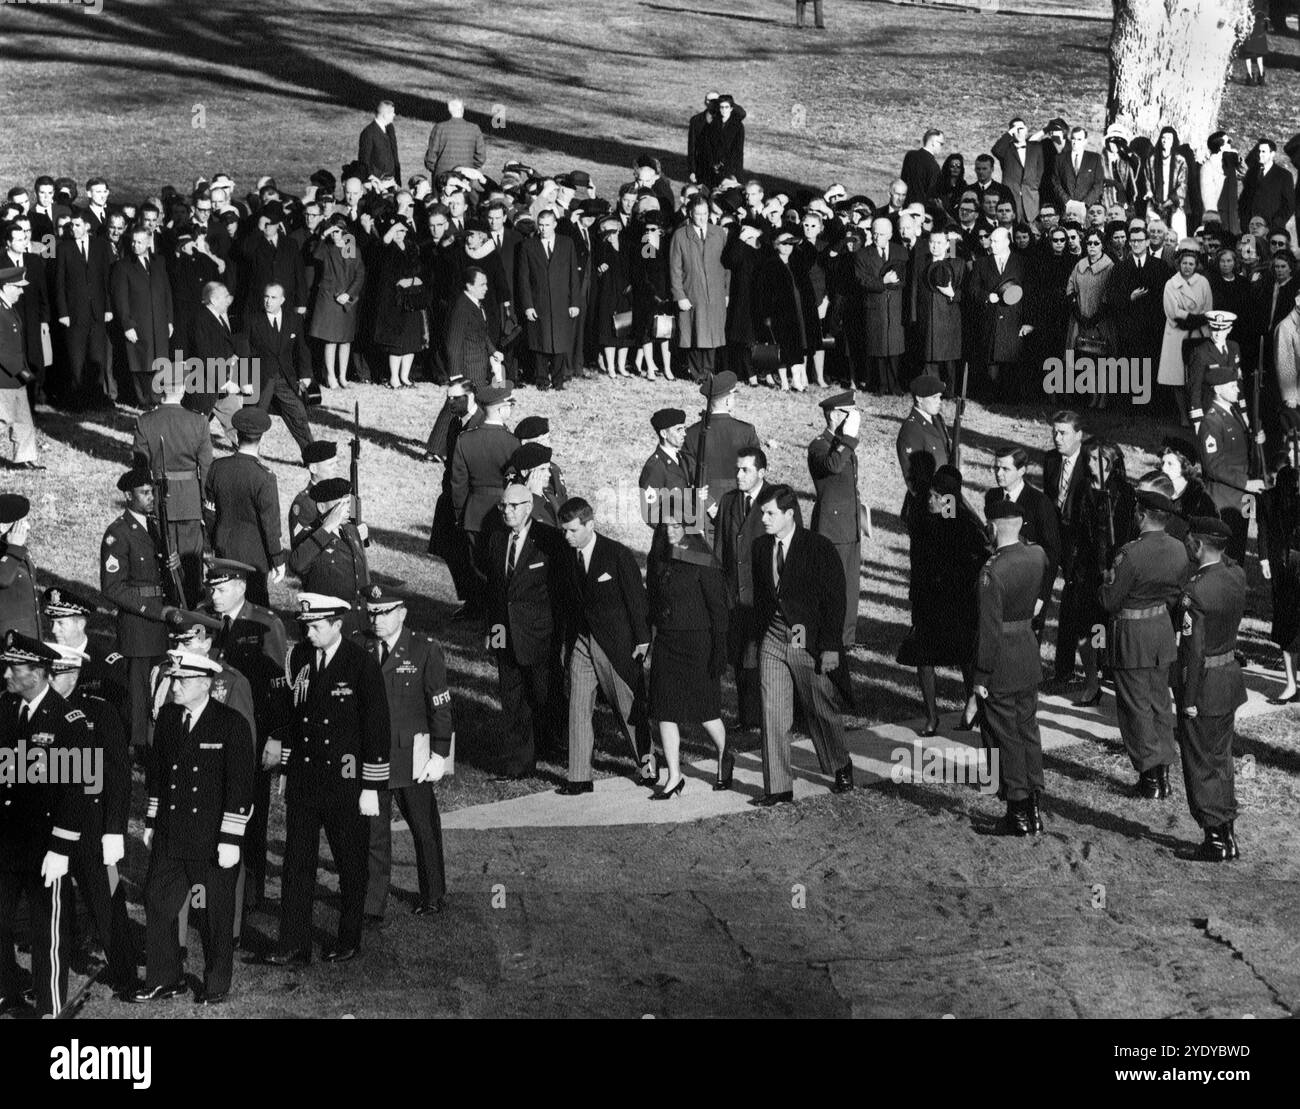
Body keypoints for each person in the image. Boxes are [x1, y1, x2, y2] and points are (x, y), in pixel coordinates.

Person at [261, 594, 389, 966]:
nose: (310, 632)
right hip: (305, 777)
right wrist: (286, 767)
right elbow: (292, 716)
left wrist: (371, 787)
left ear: (338, 625)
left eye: (317, 626)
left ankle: (348, 938)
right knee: (296, 865)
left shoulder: (360, 664)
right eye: (306, 626)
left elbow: (376, 727)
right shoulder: (298, 657)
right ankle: (293, 942)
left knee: (351, 864)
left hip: (346, 781)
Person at [132, 650, 254, 1006]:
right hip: (171, 833)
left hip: (210, 838)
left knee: (214, 913)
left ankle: (216, 982)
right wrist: (152, 819)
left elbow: (240, 784)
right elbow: (158, 774)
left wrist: (231, 838)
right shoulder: (169, 717)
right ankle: (164, 977)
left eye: (182, 680)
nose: (174, 686)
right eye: (174, 678)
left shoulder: (230, 723)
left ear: (205, 684)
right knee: (157, 901)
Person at [0, 633, 91, 1018]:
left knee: (46, 931)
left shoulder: (68, 721)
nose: (6, 674)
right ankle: (8, 991)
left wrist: (62, 848)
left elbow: (78, 791)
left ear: (37, 673)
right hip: (7, 842)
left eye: (14, 669)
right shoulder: (6, 708)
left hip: (45, 845)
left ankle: (51, 1006)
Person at [750, 484, 853, 805]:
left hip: (805, 639)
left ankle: (840, 763)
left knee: (819, 705)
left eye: (771, 513)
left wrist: (831, 646)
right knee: (772, 712)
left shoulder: (818, 548)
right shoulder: (759, 548)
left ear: (790, 514)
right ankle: (778, 787)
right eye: (762, 512)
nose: (764, 519)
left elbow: (836, 601)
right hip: (773, 638)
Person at [45, 641, 136, 997]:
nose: (49, 680)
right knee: (53, 904)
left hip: (92, 827)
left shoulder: (101, 713)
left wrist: (114, 830)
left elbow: (118, 776)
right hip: (50, 827)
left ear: (74, 674)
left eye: (56, 674)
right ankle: (54, 972)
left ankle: (126, 975)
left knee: (107, 902)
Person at [203, 557, 288, 914]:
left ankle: (251, 892)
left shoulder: (265, 623)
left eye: (221, 589)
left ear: (240, 587)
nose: (215, 596)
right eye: (212, 589)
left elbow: (279, 686)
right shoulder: (203, 620)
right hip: (211, 732)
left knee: (251, 811)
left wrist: (278, 737)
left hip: (254, 733)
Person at [362, 587, 452, 922]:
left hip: (413, 756)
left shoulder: (423, 649)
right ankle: (372, 903)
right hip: (374, 756)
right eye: (372, 613)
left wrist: (440, 755)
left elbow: (440, 707)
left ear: (402, 613)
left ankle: (433, 893)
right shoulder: (363, 647)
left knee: (424, 828)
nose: (378, 620)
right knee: (374, 834)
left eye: (384, 613)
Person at [557, 497, 656, 794]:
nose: (567, 536)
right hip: (581, 643)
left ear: (590, 524)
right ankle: (579, 778)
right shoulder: (567, 556)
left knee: (629, 709)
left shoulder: (617, 554)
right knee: (577, 706)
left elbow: (636, 599)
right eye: (564, 530)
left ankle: (648, 766)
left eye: (573, 530)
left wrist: (642, 640)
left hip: (616, 646)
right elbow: (568, 604)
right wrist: (567, 643)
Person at [1099, 487, 1191, 799]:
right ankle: (1162, 771)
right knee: (1160, 704)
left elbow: (1110, 600)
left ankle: (1150, 777)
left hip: (1132, 636)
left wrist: (1105, 576)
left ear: (1141, 514)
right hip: (1161, 630)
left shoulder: (1131, 552)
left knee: (1135, 708)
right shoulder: (1179, 548)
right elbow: (1178, 594)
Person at [1172, 516, 1247, 861]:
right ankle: (1227, 832)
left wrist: (1187, 699)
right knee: (1220, 760)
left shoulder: (1195, 593)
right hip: (1228, 681)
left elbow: (1192, 651)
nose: (1187, 545)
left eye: (1190, 541)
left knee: (1200, 763)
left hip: (1202, 688)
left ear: (1200, 546)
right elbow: (1227, 561)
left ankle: (1215, 840)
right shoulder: (1235, 576)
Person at [973, 499, 1049, 834]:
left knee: (1005, 737)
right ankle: (1033, 806)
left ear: (992, 527)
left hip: (1001, 660)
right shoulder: (1037, 556)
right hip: (1027, 654)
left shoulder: (992, 571)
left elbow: (988, 632)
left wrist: (980, 676)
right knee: (1027, 729)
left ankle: (1017, 812)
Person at [481, 483, 564, 778]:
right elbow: (493, 590)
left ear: (528, 507)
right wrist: (494, 632)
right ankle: (520, 764)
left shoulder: (549, 540)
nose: (506, 511)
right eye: (503, 506)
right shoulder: (495, 540)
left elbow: (560, 591)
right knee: (513, 700)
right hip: (506, 634)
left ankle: (555, 745)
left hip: (540, 635)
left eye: (513, 506)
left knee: (544, 696)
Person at [899, 464, 988, 734]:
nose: (931, 500)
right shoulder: (923, 520)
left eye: (938, 497)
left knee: (965, 656)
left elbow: (975, 562)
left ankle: (972, 705)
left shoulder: (966, 524)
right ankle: (931, 716)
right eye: (931, 495)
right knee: (923, 657)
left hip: (956, 603)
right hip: (927, 600)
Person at [646, 517, 729, 797]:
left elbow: (719, 609)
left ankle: (724, 753)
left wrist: (719, 650)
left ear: (689, 527)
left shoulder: (701, 559)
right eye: (665, 526)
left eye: (677, 526)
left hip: (698, 643)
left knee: (705, 711)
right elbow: (652, 603)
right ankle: (674, 776)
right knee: (664, 709)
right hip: (667, 642)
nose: (670, 532)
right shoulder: (658, 556)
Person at [102, 466, 178, 749]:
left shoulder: (155, 527)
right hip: (138, 622)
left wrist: (175, 570)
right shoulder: (118, 533)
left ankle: (155, 741)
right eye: (144, 493)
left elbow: (164, 579)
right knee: (138, 691)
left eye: (152, 492)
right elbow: (112, 587)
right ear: (128, 495)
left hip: (161, 620)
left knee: (160, 684)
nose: (151, 498)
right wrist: (151, 610)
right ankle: (136, 746)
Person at [1059, 440, 1134, 705]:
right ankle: (1092, 681)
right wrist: (1072, 566)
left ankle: (1119, 681)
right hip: (1087, 570)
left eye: (1094, 459)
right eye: (1088, 458)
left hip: (1116, 569)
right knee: (1086, 628)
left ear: (1109, 463)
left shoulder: (1124, 492)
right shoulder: (1082, 488)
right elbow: (1073, 528)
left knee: (1114, 630)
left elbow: (1129, 534)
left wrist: (1117, 567)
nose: (1088, 463)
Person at [132, 364, 212, 605]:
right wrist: (206, 503)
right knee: (191, 562)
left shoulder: (145, 422)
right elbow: (206, 468)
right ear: (184, 387)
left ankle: (167, 605)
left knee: (161, 559)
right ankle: (191, 607)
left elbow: (140, 469)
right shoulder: (198, 422)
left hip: (157, 501)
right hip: (189, 502)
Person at [202, 407, 286, 608]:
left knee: (225, 605)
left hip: (223, 549)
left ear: (237, 435)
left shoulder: (217, 468)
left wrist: (211, 544)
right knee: (255, 610)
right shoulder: (264, 477)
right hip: (254, 558)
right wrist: (277, 559)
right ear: (260, 438)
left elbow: (209, 513)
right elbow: (270, 525)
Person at [712, 446, 768, 731]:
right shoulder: (728, 501)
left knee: (764, 659)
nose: (738, 475)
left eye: (745, 470)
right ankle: (748, 719)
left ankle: (772, 715)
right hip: (736, 595)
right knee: (741, 659)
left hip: (765, 596)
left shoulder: (777, 500)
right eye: (737, 469)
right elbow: (720, 551)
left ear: (761, 472)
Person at [809, 392, 864, 660]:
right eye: (847, 413)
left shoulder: (843, 444)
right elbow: (833, 465)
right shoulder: (819, 446)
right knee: (833, 588)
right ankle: (831, 638)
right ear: (833, 415)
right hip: (832, 528)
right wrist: (849, 437)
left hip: (849, 525)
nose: (852, 418)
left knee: (851, 586)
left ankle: (847, 640)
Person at [983, 445, 1059, 636]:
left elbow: (1052, 553)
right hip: (1000, 583)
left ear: (1022, 470)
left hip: (1028, 587)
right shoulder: (993, 497)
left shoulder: (1039, 503)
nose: (998, 474)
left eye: (1005, 469)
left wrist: (1041, 597)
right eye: (996, 468)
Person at [1197, 361, 1265, 563]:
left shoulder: (1234, 412)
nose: (1237, 389)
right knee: (1222, 553)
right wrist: (1246, 483)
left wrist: (1255, 440)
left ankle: (1234, 585)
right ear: (1218, 389)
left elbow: (1240, 447)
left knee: (1238, 548)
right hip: (1224, 498)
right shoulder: (1212, 421)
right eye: (1233, 386)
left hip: (1241, 497)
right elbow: (1213, 466)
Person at [288, 476, 370, 638]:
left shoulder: (350, 531)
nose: (348, 508)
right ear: (322, 506)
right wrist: (327, 528)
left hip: (357, 620)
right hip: (327, 622)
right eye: (342, 503)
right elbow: (297, 564)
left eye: (349, 502)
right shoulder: (310, 535)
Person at [682, 371, 760, 531]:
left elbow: (689, 475)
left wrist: (710, 506)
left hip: (704, 509)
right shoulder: (746, 431)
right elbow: (755, 473)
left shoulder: (691, 433)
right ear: (727, 401)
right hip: (740, 508)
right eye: (733, 395)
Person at [54, 210, 114, 410]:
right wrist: (63, 312)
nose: (74, 229)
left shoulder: (101, 247)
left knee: (97, 358)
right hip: (74, 313)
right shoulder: (64, 249)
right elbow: (59, 283)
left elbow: (107, 280)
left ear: (88, 226)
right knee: (76, 360)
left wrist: (108, 308)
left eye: (78, 225)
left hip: (97, 313)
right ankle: (76, 402)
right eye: (71, 225)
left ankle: (96, 399)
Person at [247, 282, 314, 458]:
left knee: (299, 416)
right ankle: (249, 456)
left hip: (285, 378)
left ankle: (311, 457)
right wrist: (246, 379)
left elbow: (302, 349)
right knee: (255, 420)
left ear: (282, 300)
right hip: (260, 378)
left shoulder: (294, 320)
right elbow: (244, 351)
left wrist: (306, 375)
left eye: (273, 297)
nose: (268, 301)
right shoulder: (252, 320)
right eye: (266, 297)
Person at [517, 209, 580, 390]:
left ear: (555, 224)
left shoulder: (567, 244)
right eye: (541, 225)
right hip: (539, 302)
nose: (543, 229)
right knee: (540, 342)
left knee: (560, 342)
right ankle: (542, 380)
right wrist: (528, 305)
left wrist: (574, 302)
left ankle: (559, 381)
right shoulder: (528, 245)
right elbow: (524, 279)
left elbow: (573, 276)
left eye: (547, 225)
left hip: (561, 302)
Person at [110, 228, 173, 407]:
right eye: (133, 242)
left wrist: (169, 320)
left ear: (148, 242)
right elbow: (120, 298)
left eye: (139, 242)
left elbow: (167, 292)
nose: (135, 245)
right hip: (139, 324)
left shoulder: (159, 262)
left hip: (159, 323)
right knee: (140, 362)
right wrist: (127, 324)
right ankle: (145, 400)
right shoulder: (123, 266)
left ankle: (157, 398)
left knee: (159, 361)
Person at [669, 195, 729, 381]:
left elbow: (727, 267)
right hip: (692, 292)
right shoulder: (680, 235)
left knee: (712, 333)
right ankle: (696, 372)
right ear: (690, 214)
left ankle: (709, 371)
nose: (702, 218)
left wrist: (726, 292)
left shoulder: (719, 233)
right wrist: (679, 295)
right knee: (694, 332)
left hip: (715, 293)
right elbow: (675, 268)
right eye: (698, 214)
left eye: (705, 213)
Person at [1258, 445, 1300, 700]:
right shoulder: (1269, 499)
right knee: (1286, 625)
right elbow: (1263, 529)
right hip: (1284, 566)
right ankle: (1291, 683)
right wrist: (1263, 559)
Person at [1157, 240, 1212, 422]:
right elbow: (1172, 311)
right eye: (1184, 263)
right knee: (1178, 378)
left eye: (1191, 264)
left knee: (1197, 376)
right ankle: (1183, 415)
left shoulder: (1203, 282)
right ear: (1178, 264)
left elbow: (1207, 307)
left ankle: (1197, 411)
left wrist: (1197, 319)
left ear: (1196, 265)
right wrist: (1189, 318)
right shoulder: (1171, 284)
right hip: (1177, 332)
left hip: (1199, 331)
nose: (1187, 267)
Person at [852, 217, 907, 394]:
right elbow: (862, 281)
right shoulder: (862, 255)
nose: (877, 237)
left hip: (896, 308)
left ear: (890, 234)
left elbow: (905, 278)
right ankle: (880, 385)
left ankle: (895, 384)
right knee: (878, 348)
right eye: (874, 233)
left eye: (882, 234)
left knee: (895, 347)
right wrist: (882, 281)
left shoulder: (901, 252)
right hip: (875, 308)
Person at [310, 215, 366, 389]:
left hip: (347, 300)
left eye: (337, 231)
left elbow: (359, 274)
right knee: (331, 340)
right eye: (332, 231)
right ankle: (331, 377)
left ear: (344, 231)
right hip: (329, 298)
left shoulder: (352, 249)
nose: (335, 234)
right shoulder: (325, 248)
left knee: (345, 340)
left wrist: (349, 294)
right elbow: (314, 254)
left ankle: (342, 376)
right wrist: (322, 234)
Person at [372, 219, 428, 389]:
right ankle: (394, 377)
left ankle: (405, 376)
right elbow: (383, 246)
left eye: (402, 231)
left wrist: (413, 280)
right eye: (396, 230)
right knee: (396, 342)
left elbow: (419, 269)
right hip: (394, 301)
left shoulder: (412, 247)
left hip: (412, 298)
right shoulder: (387, 249)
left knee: (411, 340)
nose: (400, 234)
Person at [1066, 229, 1116, 408]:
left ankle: (1102, 398)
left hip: (1100, 319)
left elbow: (1110, 295)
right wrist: (1079, 314)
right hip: (1080, 318)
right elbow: (1070, 290)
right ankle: (1091, 395)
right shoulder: (1079, 265)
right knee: (1085, 357)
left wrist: (1095, 318)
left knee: (1102, 358)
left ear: (1102, 245)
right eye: (1089, 243)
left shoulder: (1109, 266)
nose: (1092, 247)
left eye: (1096, 243)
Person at [0, 265, 42, 469]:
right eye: (18, 287)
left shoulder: (8, 307)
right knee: (4, 418)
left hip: (15, 377)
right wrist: (22, 371)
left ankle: (24, 459)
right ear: (7, 286)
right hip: (5, 378)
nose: (22, 291)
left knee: (23, 420)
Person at [895, 373, 951, 507]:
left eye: (940, 397)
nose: (940, 401)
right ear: (919, 399)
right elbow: (913, 479)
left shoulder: (936, 419)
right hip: (928, 503)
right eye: (934, 397)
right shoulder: (911, 430)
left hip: (946, 495)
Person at [0, 493, 39, 638]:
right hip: (8, 641)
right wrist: (14, 548)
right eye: (22, 522)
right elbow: (3, 579)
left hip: (27, 636)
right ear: (4, 526)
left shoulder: (14, 549)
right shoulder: (13, 550)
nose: (27, 526)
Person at [993, 119, 1047, 221]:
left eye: (1021, 128)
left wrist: (1034, 186)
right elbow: (996, 150)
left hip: (1031, 199)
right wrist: (1009, 133)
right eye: (1015, 129)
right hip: (1012, 198)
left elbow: (1040, 170)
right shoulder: (1006, 150)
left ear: (1026, 130)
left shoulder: (1036, 148)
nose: (1018, 131)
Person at [423, 97, 486, 184]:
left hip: (442, 176)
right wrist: (469, 167)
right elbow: (481, 157)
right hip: (466, 177)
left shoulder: (439, 128)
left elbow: (431, 156)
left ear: (448, 111)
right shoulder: (474, 128)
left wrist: (438, 169)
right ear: (462, 110)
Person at [1143, 127, 1189, 240]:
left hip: (1174, 204)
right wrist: (1149, 192)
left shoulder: (1180, 160)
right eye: (1163, 138)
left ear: (1173, 141)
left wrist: (1169, 202)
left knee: (1176, 231)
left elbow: (1182, 184)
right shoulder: (1152, 159)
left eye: (1169, 138)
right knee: (1154, 232)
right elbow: (1147, 178)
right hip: (1155, 203)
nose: (1165, 141)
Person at [358, 100, 401, 183]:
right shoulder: (368, 133)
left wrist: (397, 180)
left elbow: (394, 154)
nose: (394, 115)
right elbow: (364, 161)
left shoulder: (390, 128)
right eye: (392, 113)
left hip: (392, 181)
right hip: (377, 183)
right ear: (385, 115)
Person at [901, 129, 944, 206]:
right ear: (933, 142)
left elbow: (902, 181)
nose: (941, 147)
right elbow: (931, 193)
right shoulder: (934, 166)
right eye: (941, 144)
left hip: (904, 204)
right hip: (920, 209)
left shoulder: (910, 155)